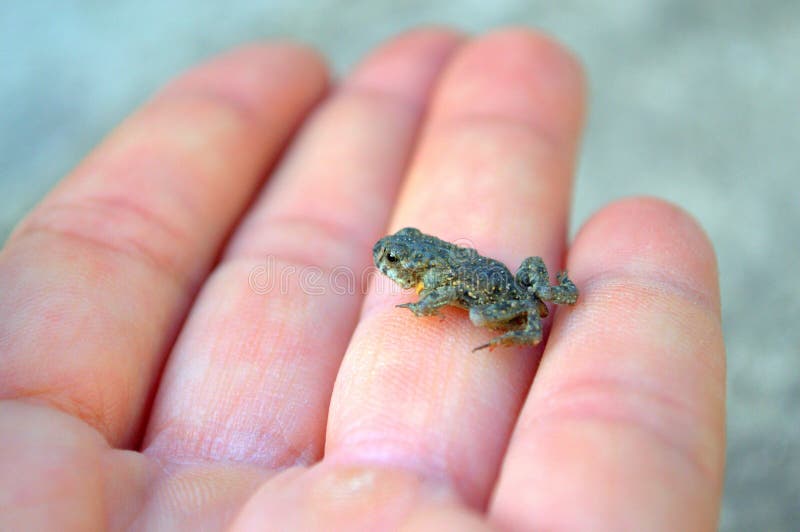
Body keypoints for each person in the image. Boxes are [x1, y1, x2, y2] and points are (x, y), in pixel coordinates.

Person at [0, 28, 725, 530]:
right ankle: (546, 295)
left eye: (394, 263)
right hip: (499, 269)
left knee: (479, 314)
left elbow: (443, 293)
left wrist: (418, 308)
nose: (391, 267)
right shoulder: (426, 253)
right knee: (506, 287)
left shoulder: (430, 276)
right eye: (394, 260)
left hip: (495, 291)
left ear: (410, 261)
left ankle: (538, 312)